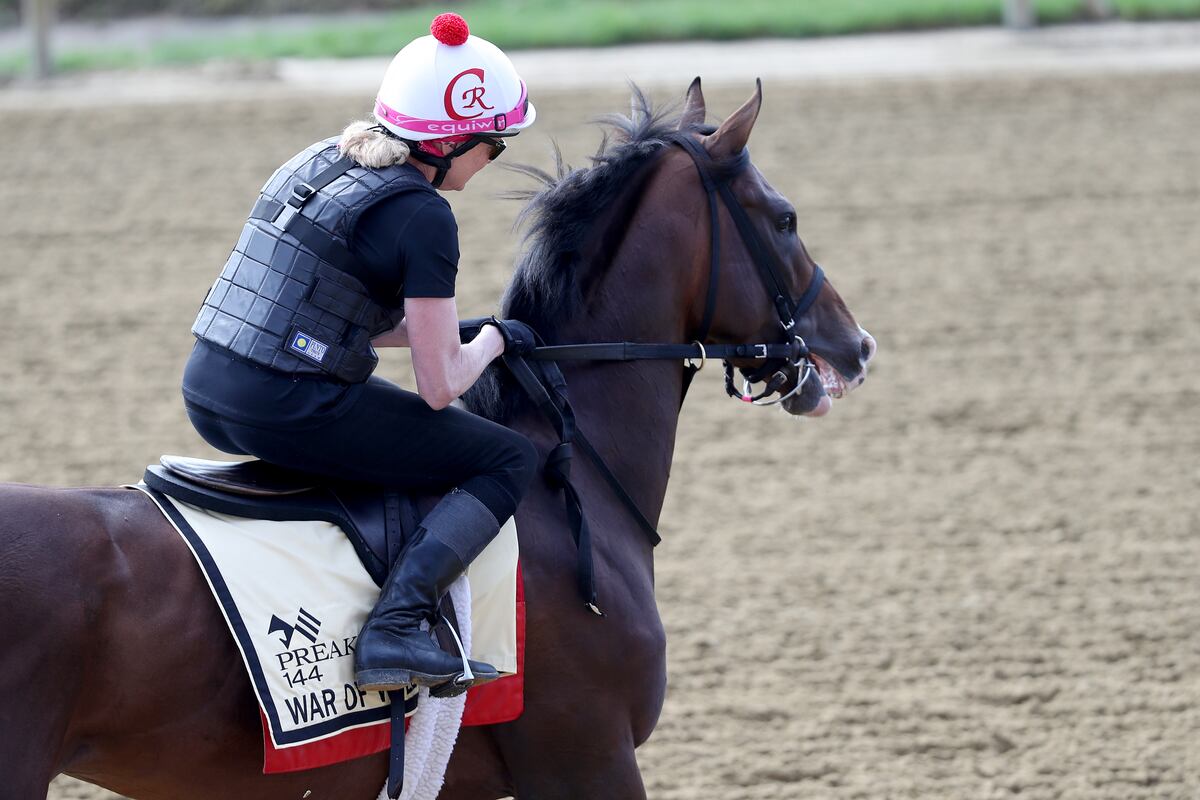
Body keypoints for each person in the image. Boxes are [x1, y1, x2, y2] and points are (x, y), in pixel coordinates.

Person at [181, 13, 538, 693]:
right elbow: (441, 386)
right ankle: (396, 627)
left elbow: (347, 318)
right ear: (455, 140)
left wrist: (457, 330)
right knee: (506, 457)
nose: (493, 161)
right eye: (494, 145)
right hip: (287, 403)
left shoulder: (325, 158)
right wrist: (495, 337)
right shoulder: (425, 216)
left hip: (208, 385)